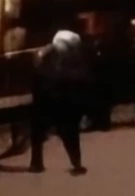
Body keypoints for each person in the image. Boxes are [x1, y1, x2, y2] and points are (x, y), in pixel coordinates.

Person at [29, 29, 90, 175]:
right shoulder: (69, 59)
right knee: (68, 131)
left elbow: (38, 77)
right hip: (59, 99)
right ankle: (75, 161)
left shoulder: (45, 56)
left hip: (49, 98)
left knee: (41, 130)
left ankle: (37, 162)